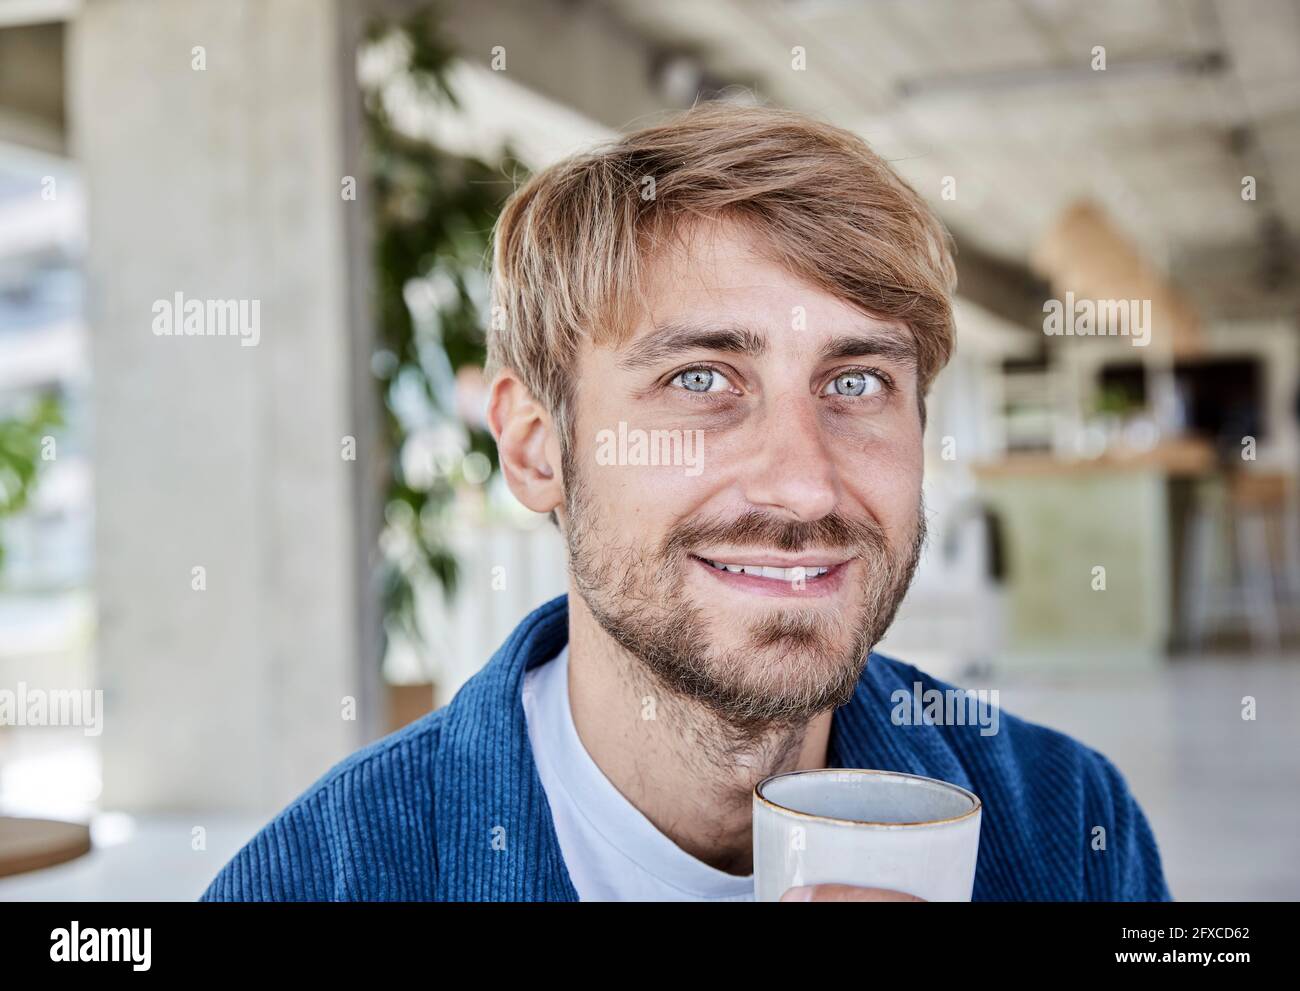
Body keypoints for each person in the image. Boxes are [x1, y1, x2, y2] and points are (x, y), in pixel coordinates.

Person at [202, 103, 1170, 902]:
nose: (801, 482)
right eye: (703, 380)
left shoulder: (1071, 829)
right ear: (538, 448)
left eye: (857, 382)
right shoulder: (315, 883)